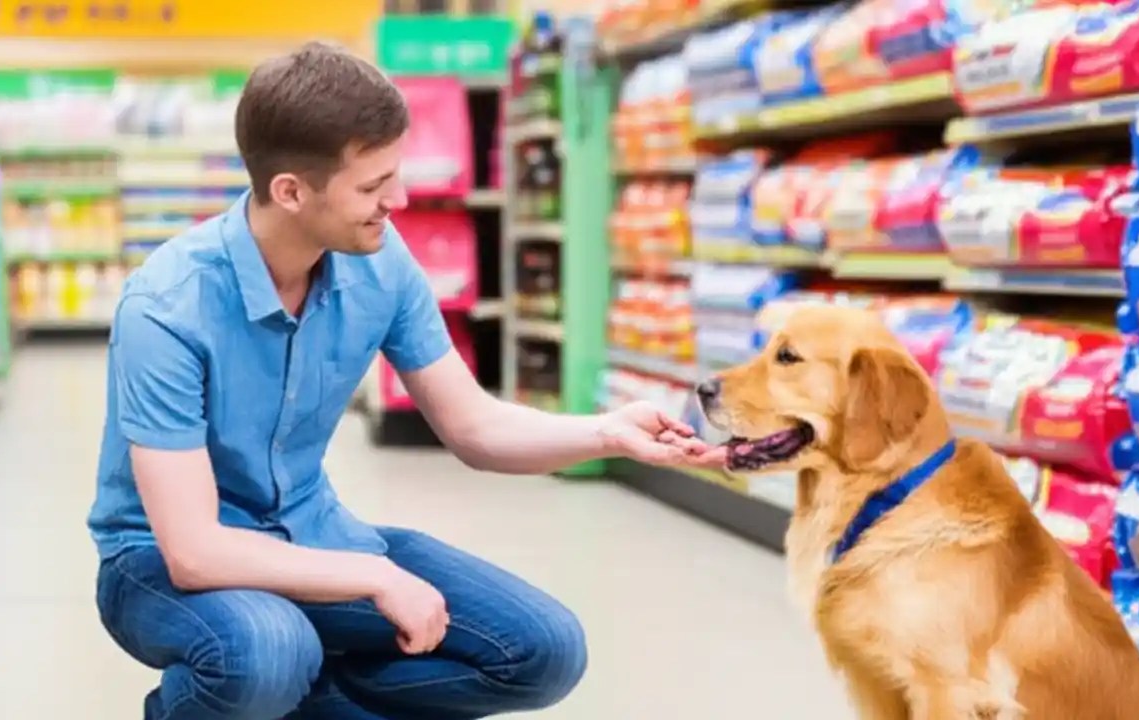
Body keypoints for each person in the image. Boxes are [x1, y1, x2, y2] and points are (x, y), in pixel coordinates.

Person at [88, 41, 725, 720]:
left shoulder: (379, 264)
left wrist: (609, 432)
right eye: (372, 186)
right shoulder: (166, 307)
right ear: (291, 192)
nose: (401, 198)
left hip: (310, 531)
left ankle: (297, 707)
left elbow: (473, 427)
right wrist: (374, 573)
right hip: (157, 565)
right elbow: (194, 551)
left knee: (544, 650)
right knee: (270, 653)